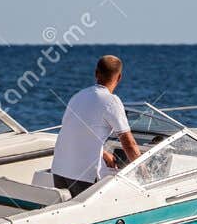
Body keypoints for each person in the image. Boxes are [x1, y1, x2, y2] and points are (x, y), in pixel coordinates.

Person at [50, 54, 142, 197]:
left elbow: (75, 132)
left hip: (59, 171)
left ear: (96, 73)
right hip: (82, 177)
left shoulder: (78, 96)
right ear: (119, 77)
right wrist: (143, 170)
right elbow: (129, 144)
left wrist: (103, 153)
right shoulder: (112, 102)